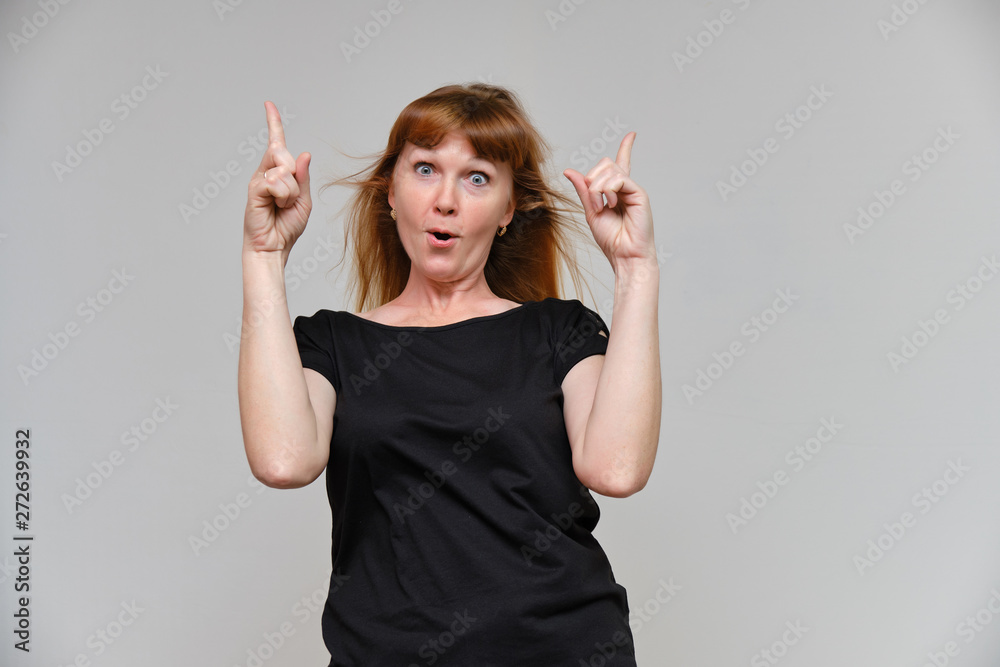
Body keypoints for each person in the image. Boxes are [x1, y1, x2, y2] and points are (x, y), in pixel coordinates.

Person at [238, 83, 661, 666]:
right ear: (391, 191)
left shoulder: (558, 332)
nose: (446, 200)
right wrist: (262, 258)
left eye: (478, 177)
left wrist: (635, 269)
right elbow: (283, 461)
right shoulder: (334, 344)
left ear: (509, 209)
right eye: (425, 168)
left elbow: (615, 469)